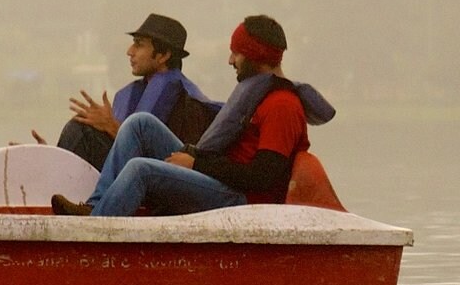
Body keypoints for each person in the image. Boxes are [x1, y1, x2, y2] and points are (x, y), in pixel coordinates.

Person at [52, 15, 336, 218]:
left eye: (236, 54)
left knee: (141, 169)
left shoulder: (282, 105)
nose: (230, 61)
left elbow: (262, 177)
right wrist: (195, 157)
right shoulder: (257, 95)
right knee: (139, 124)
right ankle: (96, 205)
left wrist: (197, 163)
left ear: (255, 56)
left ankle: (97, 228)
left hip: (240, 199)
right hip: (220, 180)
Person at [48, 12, 219, 170]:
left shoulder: (189, 105)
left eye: (139, 44)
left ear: (163, 55)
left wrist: (111, 127)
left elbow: (173, 162)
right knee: (79, 128)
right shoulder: (134, 93)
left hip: (150, 178)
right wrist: (60, 155)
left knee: (81, 131)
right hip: (121, 171)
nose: (130, 52)